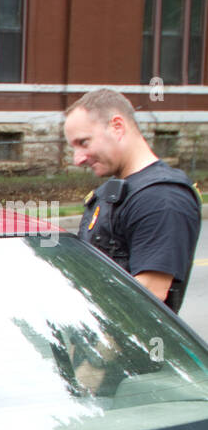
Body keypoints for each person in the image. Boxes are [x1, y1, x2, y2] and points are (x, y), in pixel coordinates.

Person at [64, 88, 202, 312]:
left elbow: (148, 295)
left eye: (84, 142)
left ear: (117, 126)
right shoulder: (118, 191)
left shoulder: (161, 197)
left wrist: (98, 342)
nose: (77, 159)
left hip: (128, 346)